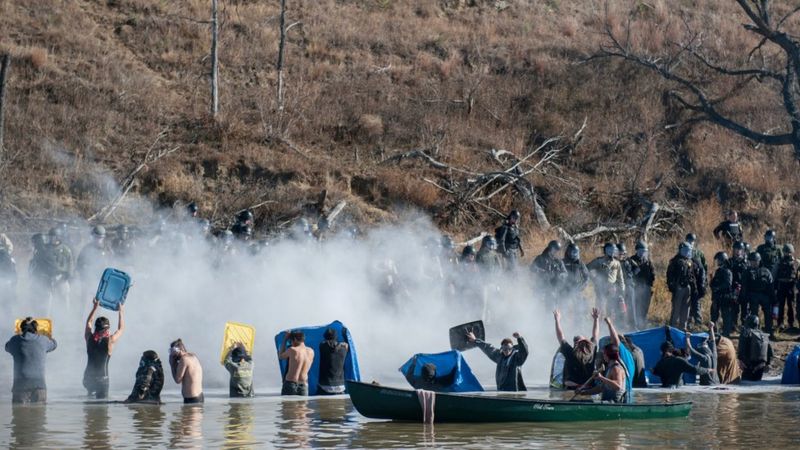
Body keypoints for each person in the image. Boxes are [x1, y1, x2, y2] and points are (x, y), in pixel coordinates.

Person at [576, 317, 631, 403]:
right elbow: (601, 388)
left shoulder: (616, 368)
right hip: (607, 401)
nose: (602, 355)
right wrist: (583, 393)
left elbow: (618, 386)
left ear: (608, 355)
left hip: (614, 403)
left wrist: (602, 378)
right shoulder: (609, 367)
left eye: (604, 353)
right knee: (582, 401)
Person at [5, 318, 58, 403]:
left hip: (20, 385)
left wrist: (17, 336)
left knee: (19, 415)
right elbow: (54, 345)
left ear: (21, 329)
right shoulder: (43, 340)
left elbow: (7, 347)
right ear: (35, 329)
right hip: (39, 385)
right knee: (39, 415)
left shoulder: (15, 340)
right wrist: (49, 336)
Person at [83, 299, 125, 399]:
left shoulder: (89, 338)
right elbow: (121, 329)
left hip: (87, 378)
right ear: (107, 329)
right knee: (101, 409)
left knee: (89, 405)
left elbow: (89, 322)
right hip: (102, 380)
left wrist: (94, 308)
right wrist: (121, 312)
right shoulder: (110, 341)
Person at [553, 308, 599, 389]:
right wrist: (596, 319)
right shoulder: (591, 350)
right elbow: (595, 335)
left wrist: (557, 320)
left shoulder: (570, 353)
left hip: (577, 388)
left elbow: (561, 337)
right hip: (585, 389)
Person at [587, 243, 625, 320]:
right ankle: (598, 324)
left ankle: (609, 324)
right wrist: (594, 278)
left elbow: (620, 277)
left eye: (614, 250)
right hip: (601, 287)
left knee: (611, 308)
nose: (612, 252)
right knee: (600, 306)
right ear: (606, 251)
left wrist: (622, 289)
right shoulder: (599, 261)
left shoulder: (617, 263)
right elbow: (587, 268)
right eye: (610, 250)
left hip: (612, 288)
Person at [741, 252, 775, 336]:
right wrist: (744, 297)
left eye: (755, 261)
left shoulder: (766, 271)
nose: (753, 263)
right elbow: (744, 286)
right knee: (753, 314)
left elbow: (771, 285)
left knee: (768, 312)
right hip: (752, 295)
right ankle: (754, 331)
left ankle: (769, 330)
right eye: (752, 261)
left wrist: (773, 298)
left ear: (759, 261)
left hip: (764, 295)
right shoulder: (747, 272)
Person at [666, 242, 697, 329]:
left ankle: (683, 327)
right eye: (685, 250)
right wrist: (672, 286)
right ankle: (673, 327)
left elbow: (692, 275)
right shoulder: (675, 261)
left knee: (686, 309)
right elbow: (669, 275)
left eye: (688, 250)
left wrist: (694, 288)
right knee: (676, 309)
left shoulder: (690, 261)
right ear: (680, 250)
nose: (687, 252)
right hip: (679, 287)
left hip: (688, 287)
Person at [77, 226, 112, 299]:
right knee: (85, 299)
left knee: (99, 301)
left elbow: (111, 264)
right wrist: (84, 272)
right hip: (88, 279)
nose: (98, 240)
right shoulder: (87, 248)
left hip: (102, 279)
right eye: (96, 237)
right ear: (93, 236)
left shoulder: (107, 250)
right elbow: (79, 264)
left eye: (100, 238)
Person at [530, 241, 567, 307]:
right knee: (536, 305)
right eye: (554, 249)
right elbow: (532, 267)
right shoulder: (540, 258)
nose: (556, 252)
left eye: (557, 250)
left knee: (551, 307)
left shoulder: (558, 261)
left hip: (553, 287)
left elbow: (565, 273)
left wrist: (560, 275)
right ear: (550, 248)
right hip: (541, 285)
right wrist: (540, 271)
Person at [738, 315, 773, 381]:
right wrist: (767, 363)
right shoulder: (762, 334)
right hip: (760, 367)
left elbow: (742, 347)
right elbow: (770, 351)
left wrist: (740, 360)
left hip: (748, 365)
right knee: (756, 384)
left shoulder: (745, 333)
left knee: (745, 385)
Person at [279, 330, 314, 396]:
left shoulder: (292, 350)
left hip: (290, 384)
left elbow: (280, 356)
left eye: (291, 341)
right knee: (303, 406)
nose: (291, 343)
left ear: (295, 339)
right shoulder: (311, 351)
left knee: (288, 406)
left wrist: (285, 339)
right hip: (304, 384)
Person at [169, 339, 204, 403]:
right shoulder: (193, 356)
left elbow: (177, 380)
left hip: (191, 399)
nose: (172, 354)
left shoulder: (184, 360)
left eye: (173, 351)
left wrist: (172, 365)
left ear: (179, 350)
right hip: (200, 396)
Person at [630, 241, 655, 328]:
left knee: (645, 307)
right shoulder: (631, 260)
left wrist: (650, 286)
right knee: (636, 307)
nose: (642, 253)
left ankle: (642, 323)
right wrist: (634, 272)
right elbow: (628, 275)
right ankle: (635, 324)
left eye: (644, 251)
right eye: (641, 251)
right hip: (636, 288)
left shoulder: (648, 261)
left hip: (646, 288)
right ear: (637, 250)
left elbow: (653, 274)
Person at [711, 252, 737, 337]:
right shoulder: (719, 270)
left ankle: (726, 333)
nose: (717, 261)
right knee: (714, 314)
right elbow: (714, 283)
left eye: (718, 260)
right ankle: (714, 331)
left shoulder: (727, 271)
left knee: (726, 315)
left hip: (725, 297)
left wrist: (718, 287)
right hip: (717, 296)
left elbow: (727, 284)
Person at [317, 327, 349, 395]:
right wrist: (344, 335)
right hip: (341, 387)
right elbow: (346, 344)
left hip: (325, 387)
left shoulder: (322, 346)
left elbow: (325, 343)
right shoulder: (344, 348)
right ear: (336, 337)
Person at [775, 244, 798, 331]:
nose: (787, 254)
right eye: (786, 252)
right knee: (780, 305)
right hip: (781, 285)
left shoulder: (796, 262)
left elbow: (797, 275)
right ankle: (780, 323)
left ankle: (790, 323)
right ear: (783, 252)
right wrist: (774, 286)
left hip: (791, 285)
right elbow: (774, 274)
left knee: (791, 305)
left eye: (789, 252)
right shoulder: (779, 261)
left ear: (792, 252)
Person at [727, 241, 750, 325]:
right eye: (736, 249)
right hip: (734, 287)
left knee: (745, 308)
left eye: (739, 249)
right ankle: (733, 324)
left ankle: (745, 325)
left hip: (744, 288)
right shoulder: (730, 261)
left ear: (743, 251)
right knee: (734, 308)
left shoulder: (747, 262)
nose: (738, 251)